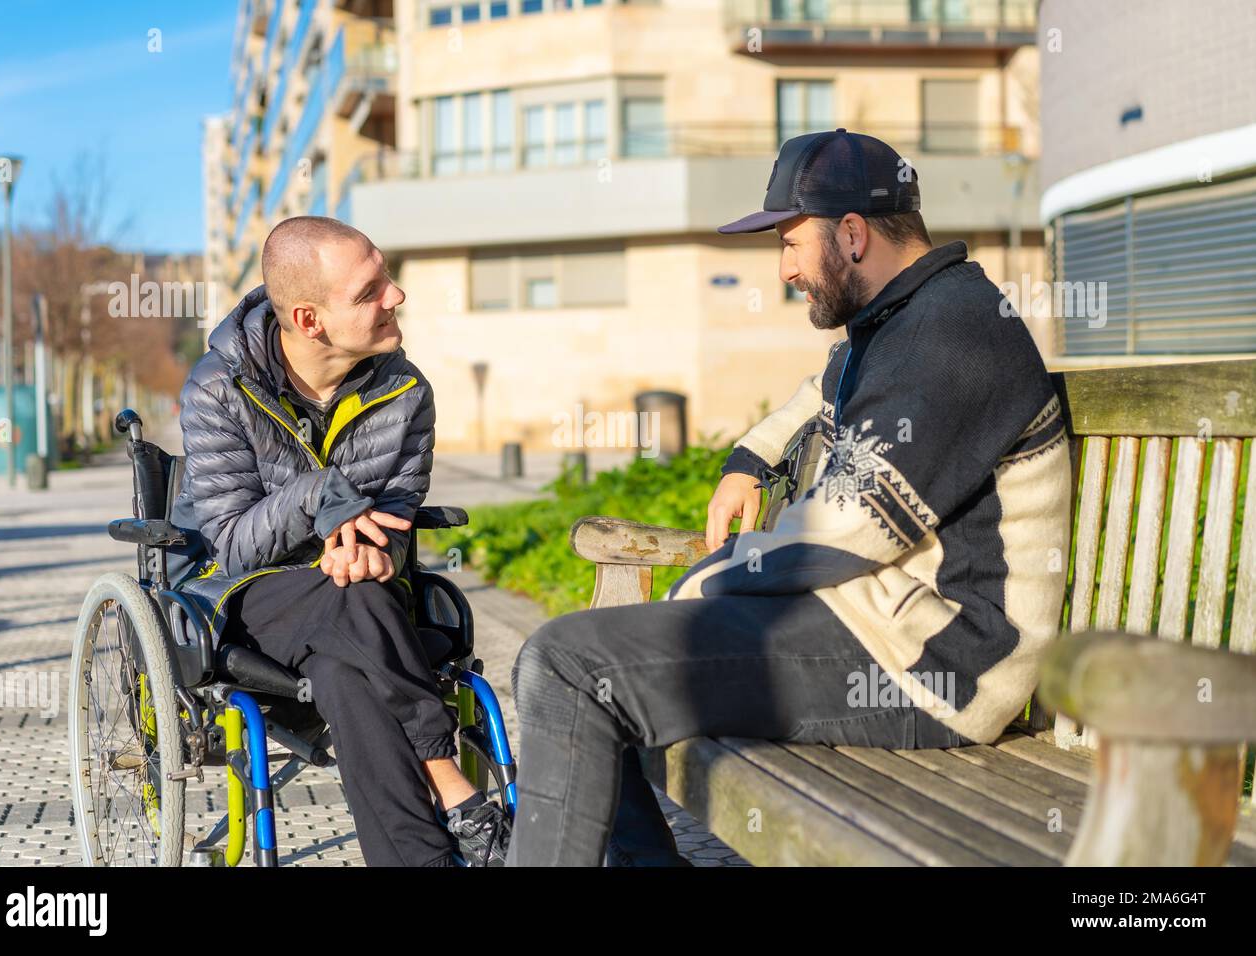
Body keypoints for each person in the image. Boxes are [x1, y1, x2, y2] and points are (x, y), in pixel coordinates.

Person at [509, 129, 1072, 866]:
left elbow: (844, 530)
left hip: (940, 665)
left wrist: (704, 584)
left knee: (568, 666)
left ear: (852, 233)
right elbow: (822, 394)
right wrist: (751, 458)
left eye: (790, 243)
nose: (784, 270)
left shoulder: (954, 335)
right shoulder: (899, 319)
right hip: (879, 624)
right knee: (571, 663)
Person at [168, 216, 509, 867]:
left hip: (365, 596)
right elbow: (234, 544)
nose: (396, 296)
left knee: (344, 673)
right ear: (309, 318)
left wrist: (363, 544)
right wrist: (318, 498)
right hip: (250, 597)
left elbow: (393, 512)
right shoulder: (218, 389)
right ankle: (452, 785)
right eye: (371, 289)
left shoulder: (404, 392)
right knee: (352, 599)